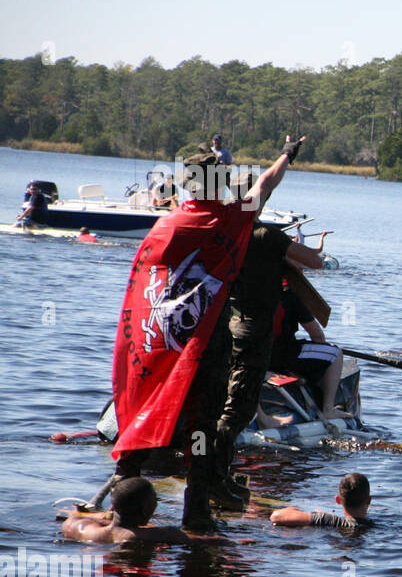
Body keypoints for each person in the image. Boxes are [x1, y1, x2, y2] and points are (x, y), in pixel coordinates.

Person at [103, 138, 305, 529]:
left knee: (147, 408)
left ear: (188, 186)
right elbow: (265, 184)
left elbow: (145, 283)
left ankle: (123, 495)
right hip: (202, 345)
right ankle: (196, 509)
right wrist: (287, 155)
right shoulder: (228, 218)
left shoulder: (168, 224)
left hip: (157, 342)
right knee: (202, 427)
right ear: (218, 184)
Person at [211, 172, 331, 504]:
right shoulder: (265, 235)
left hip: (222, 327)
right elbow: (315, 263)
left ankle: (211, 470)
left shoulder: (218, 232)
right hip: (258, 332)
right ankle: (217, 475)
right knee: (240, 400)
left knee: (234, 381)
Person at [59, 478, 230, 544]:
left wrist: (105, 519)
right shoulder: (162, 534)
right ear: (145, 509)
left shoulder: (78, 527)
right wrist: (238, 542)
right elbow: (206, 540)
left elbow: (71, 519)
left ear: (112, 507)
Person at [268, 284, 350, 422]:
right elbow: (316, 335)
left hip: (254, 355)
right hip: (282, 356)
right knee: (334, 353)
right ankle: (328, 409)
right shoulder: (290, 296)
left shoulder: (249, 291)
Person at [271, 473, 372, 528]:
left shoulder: (329, 520)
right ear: (369, 501)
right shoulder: (372, 527)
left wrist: (322, 517)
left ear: (338, 500)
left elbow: (276, 516)